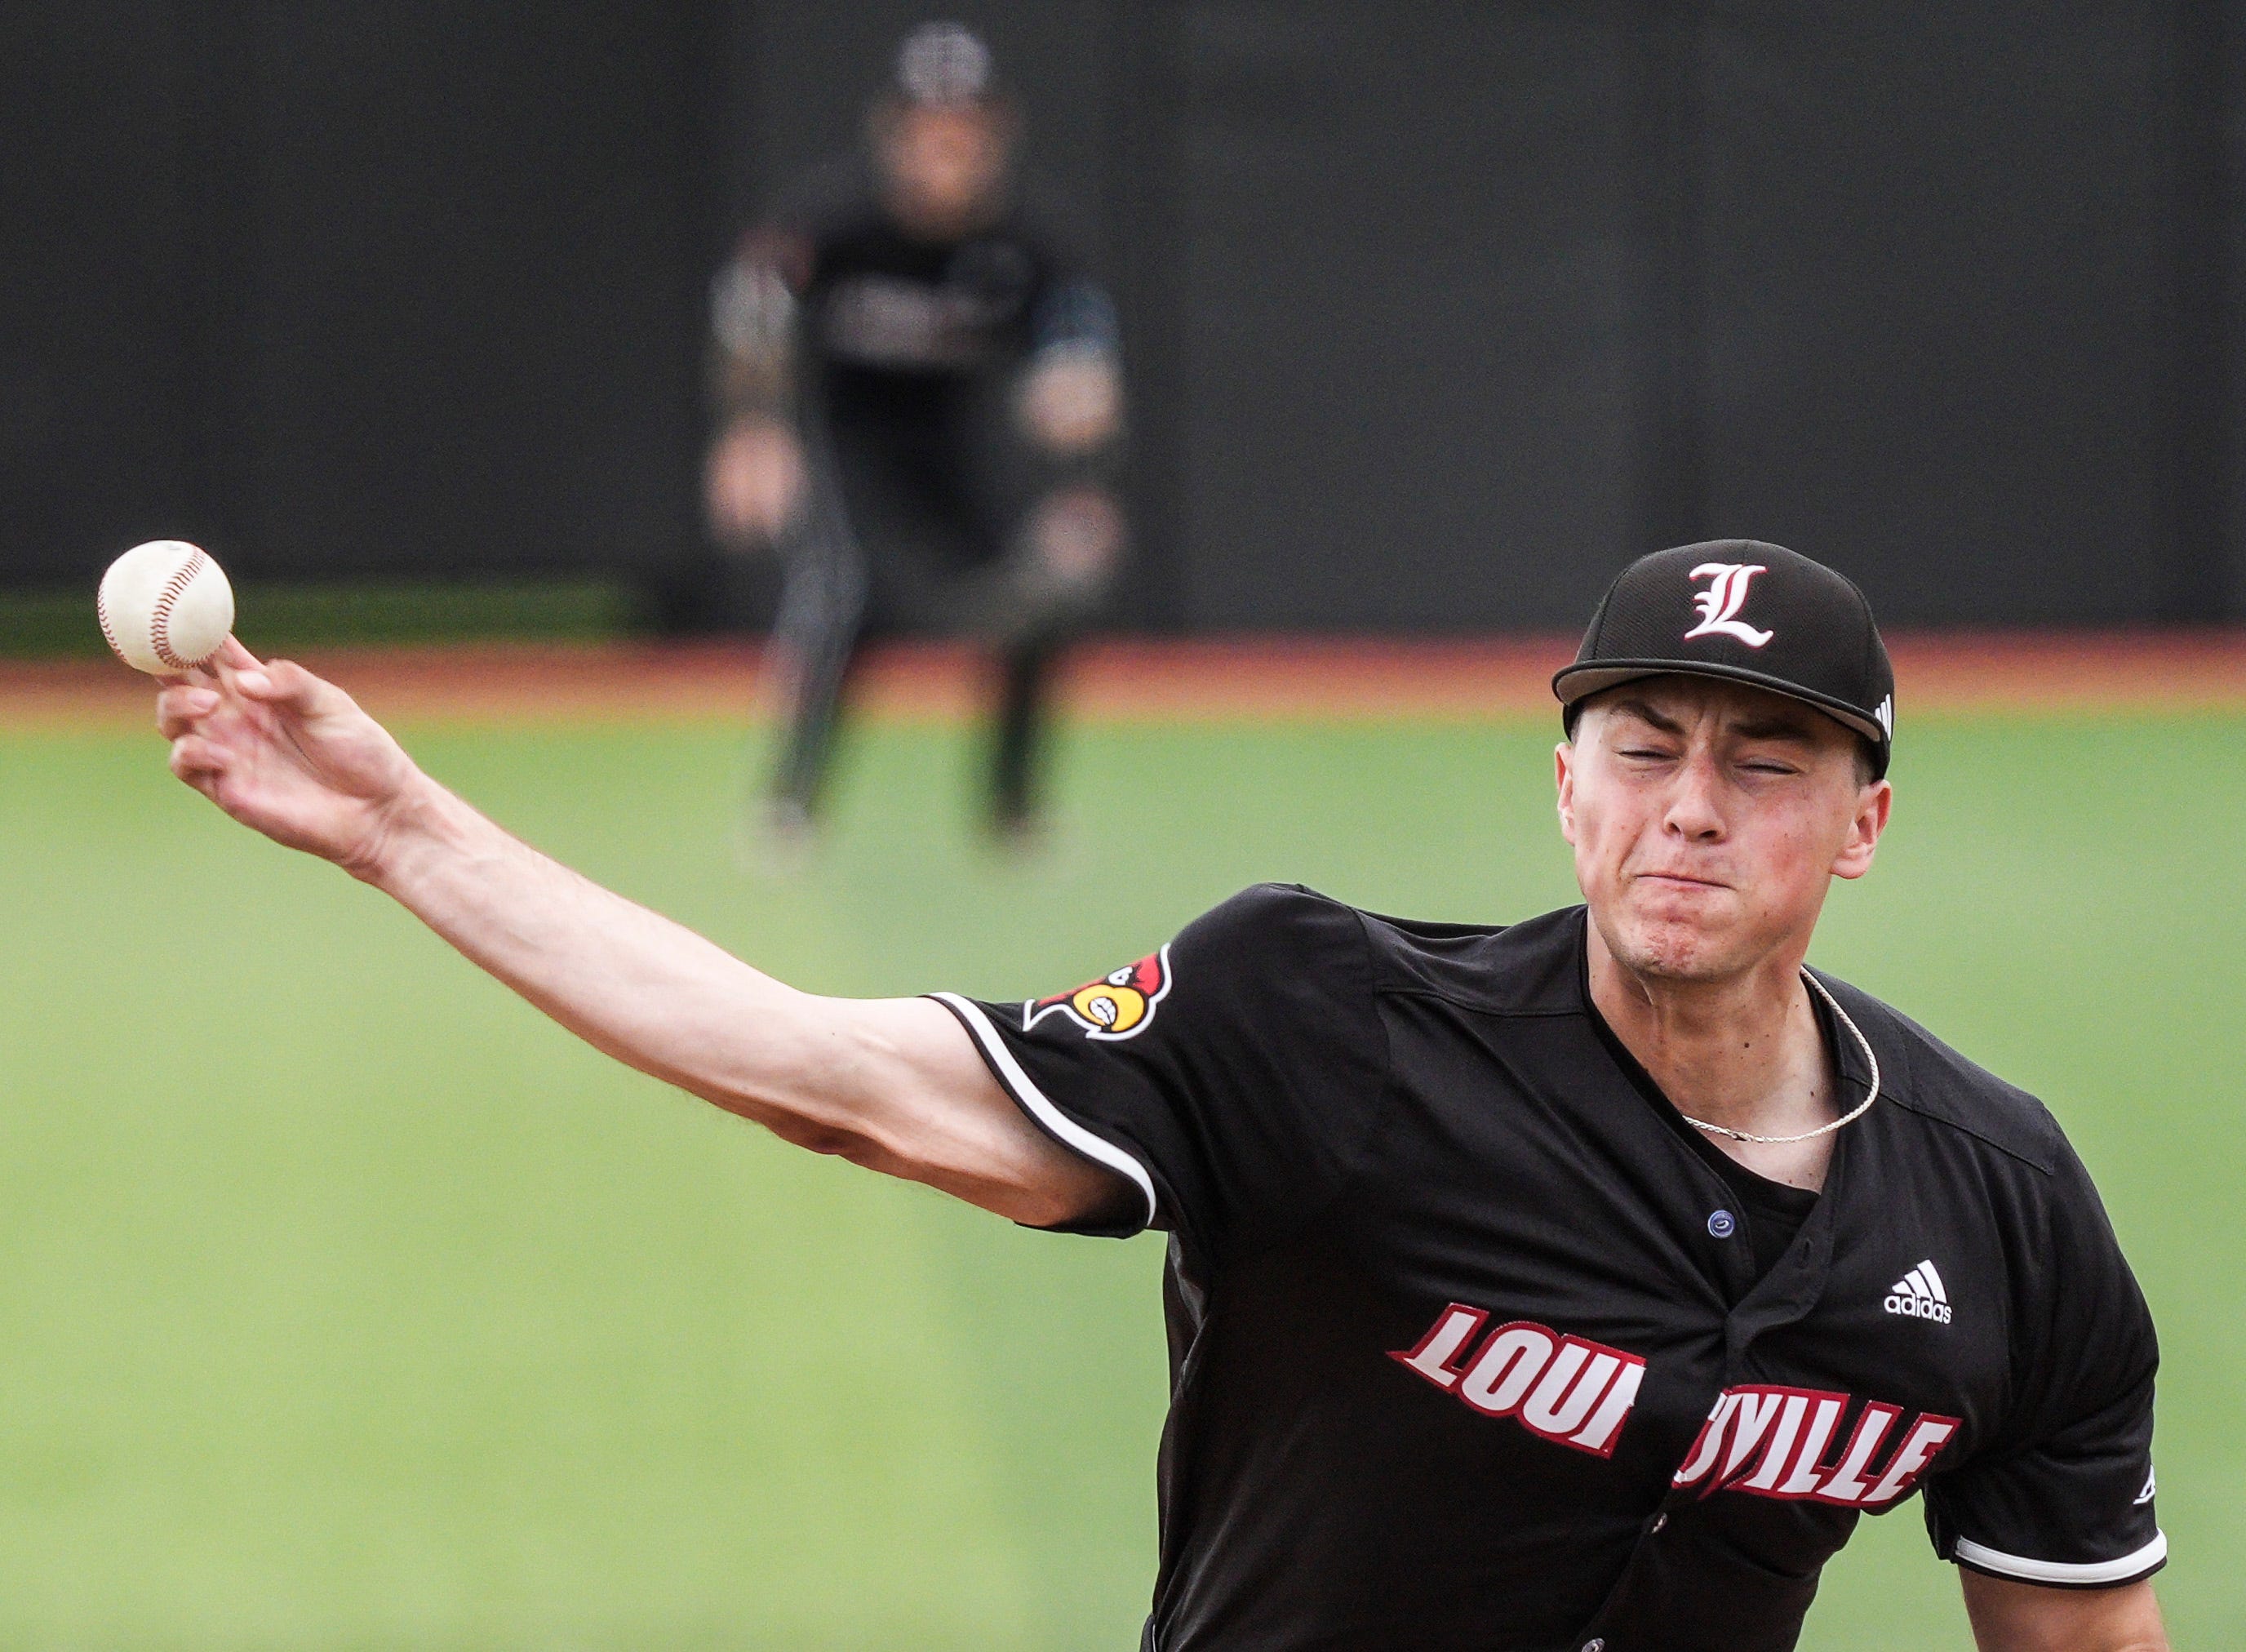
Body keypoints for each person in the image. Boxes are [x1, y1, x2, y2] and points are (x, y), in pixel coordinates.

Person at [153, 540, 2166, 1651]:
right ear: (1563, 786)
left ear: (1866, 825)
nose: (1693, 811)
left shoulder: (1997, 1215)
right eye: (1645, 746)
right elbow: (833, 1079)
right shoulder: (1326, 1029)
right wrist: (408, 832)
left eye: (1768, 764)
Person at [704, 21, 1126, 843]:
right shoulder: (832, 220)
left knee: (1039, 595)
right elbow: (752, 317)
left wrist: (1083, 487)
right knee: (847, 591)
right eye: (929, 130)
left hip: (952, 450)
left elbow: (1083, 369)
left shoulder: (1029, 243)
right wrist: (751, 432)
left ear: (995, 136)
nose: (947, 149)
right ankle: (792, 799)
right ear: (892, 134)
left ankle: (1012, 810)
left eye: (965, 130)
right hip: (845, 443)